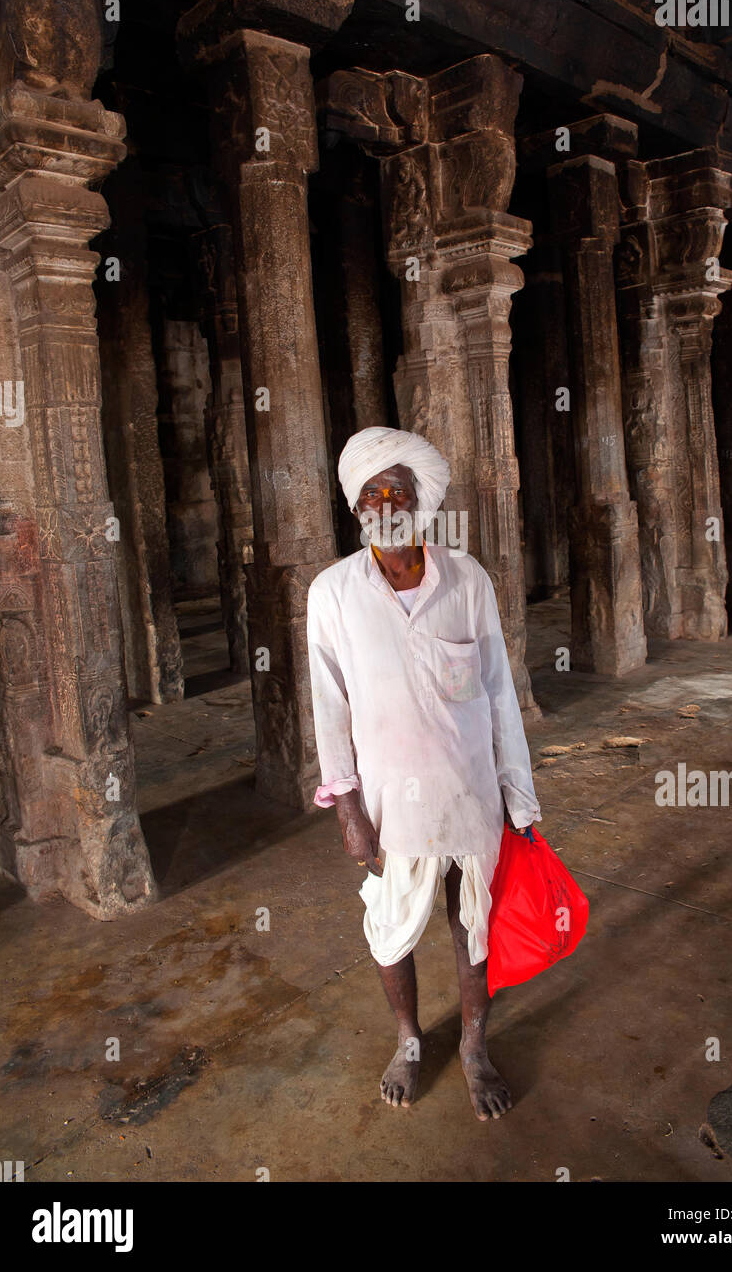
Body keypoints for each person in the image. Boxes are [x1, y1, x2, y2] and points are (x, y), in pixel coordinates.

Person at [306, 426, 541, 1120]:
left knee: (474, 926)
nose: (385, 502)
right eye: (372, 492)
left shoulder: (467, 579)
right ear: (357, 509)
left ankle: (473, 1046)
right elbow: (328, 706)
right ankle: (409, 1040)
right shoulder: (333, 594)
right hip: (388, 809)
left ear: (420, 502)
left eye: (398, 490)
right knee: (391, 929)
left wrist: (517, 794)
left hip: (469, 795)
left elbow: (499, 690)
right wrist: (348, 808)